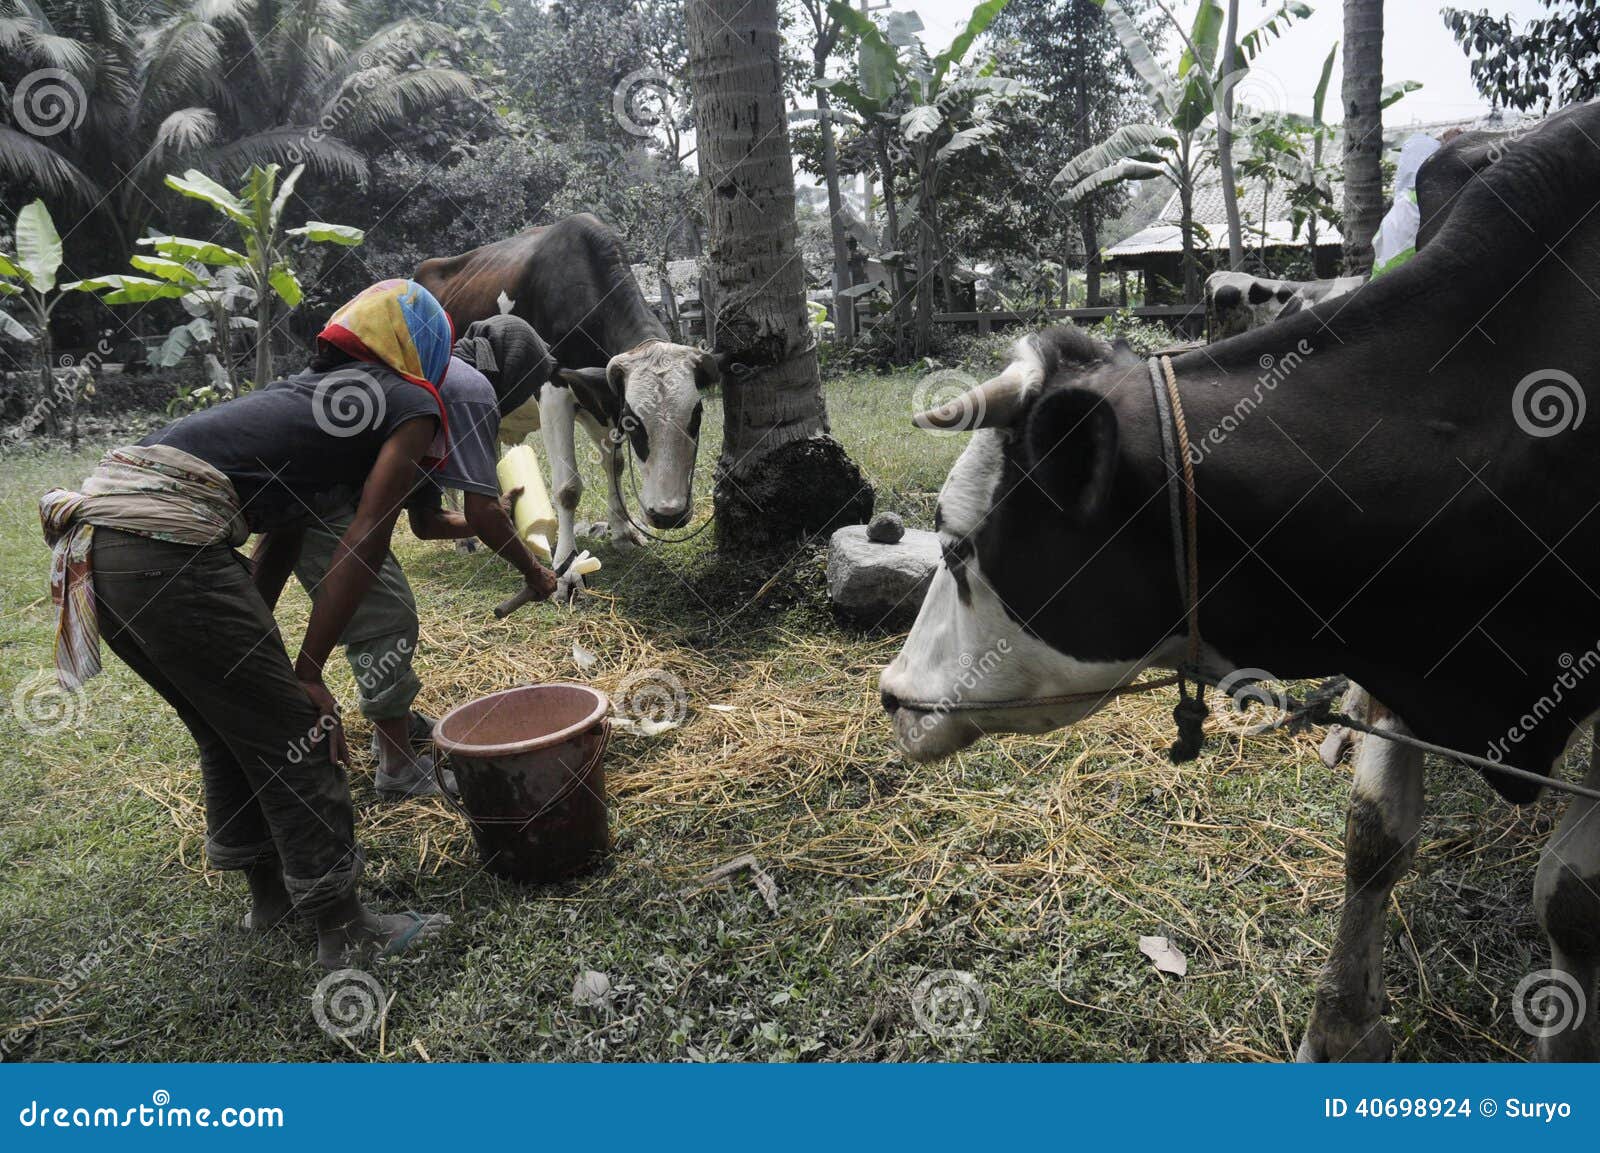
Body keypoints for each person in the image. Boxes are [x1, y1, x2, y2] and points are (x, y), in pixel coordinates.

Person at [37, 279, 550, 969]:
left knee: (233, 724)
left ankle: (270, 893)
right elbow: (365, 539)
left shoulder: (311, 402)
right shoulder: (409, 401)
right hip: (162, 541)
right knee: (295, 736)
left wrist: (269, 663)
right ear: (420, 346)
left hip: (105, 548)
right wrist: (302, 678)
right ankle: (344, 926)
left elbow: (278, 536)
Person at [281, 312, 561, 798]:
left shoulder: (435, 380)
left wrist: (498, 517)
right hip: (319, 499)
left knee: (376, 612)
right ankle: (398, 768)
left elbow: (426, 521)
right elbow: (478, 513)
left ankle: (397, 723)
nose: (530, 398)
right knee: (385, 615)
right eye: (531, 384)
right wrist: (534, 570)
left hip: (309, 491)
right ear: (514, 373)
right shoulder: (471, 387)